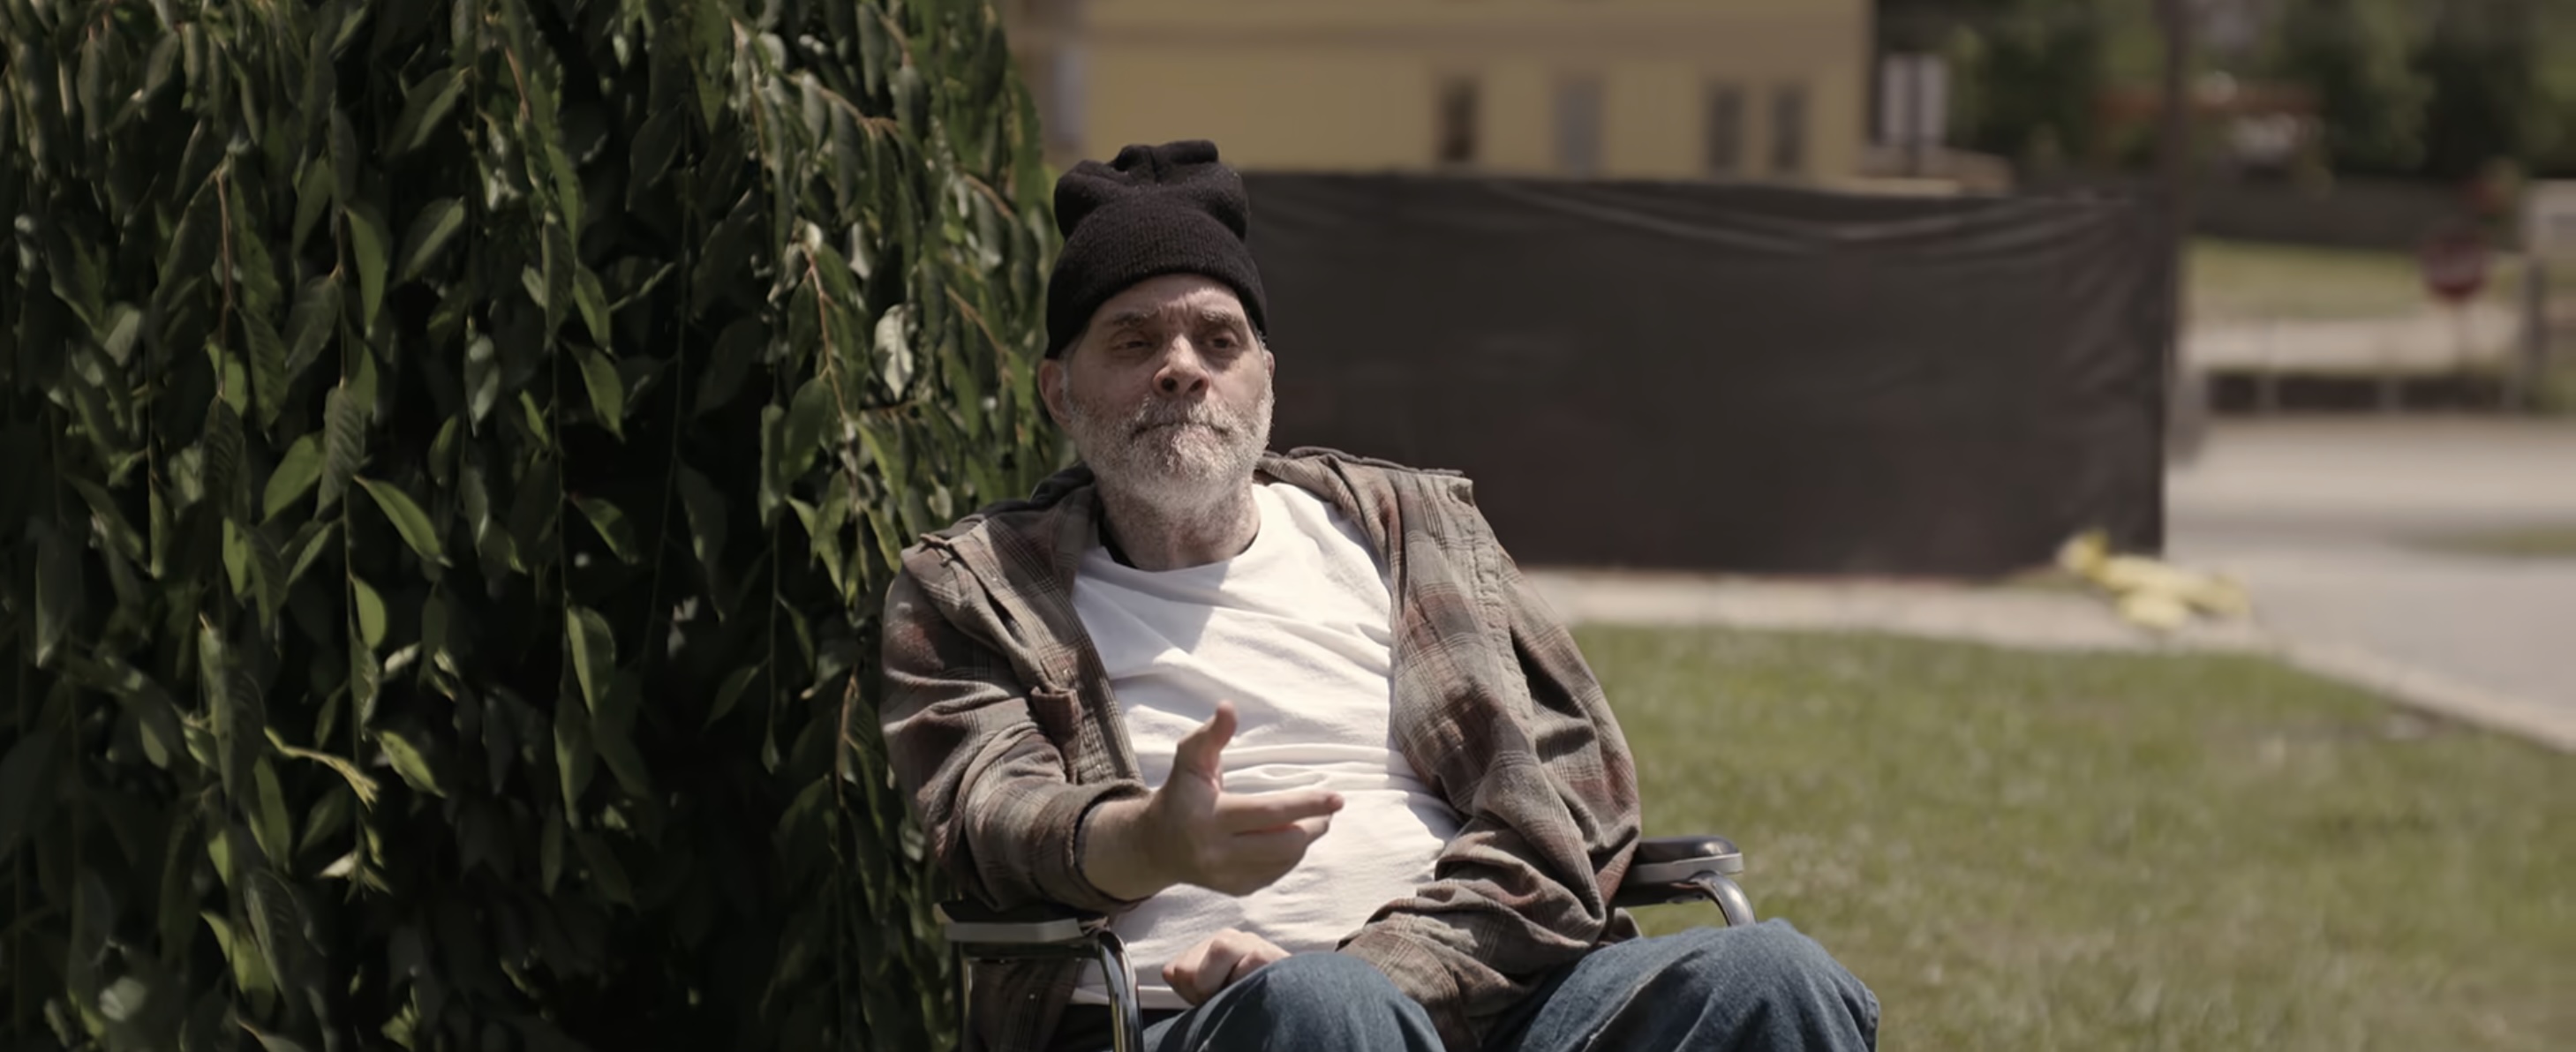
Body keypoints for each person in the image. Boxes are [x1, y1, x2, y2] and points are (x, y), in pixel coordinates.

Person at [880, 139, 1878, 1052]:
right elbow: (988, 822)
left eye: (1218, 341)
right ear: (1059, 391)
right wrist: (1153, 839)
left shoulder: (1410, 531)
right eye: (1134, 343)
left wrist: (1383, 975)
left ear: (1266, 378)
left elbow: (1570, 806)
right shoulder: (977, 588)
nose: (1182, 370)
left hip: (1501, 999)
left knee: (1771, 976)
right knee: (1320, 1014)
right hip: (1186, 1024)